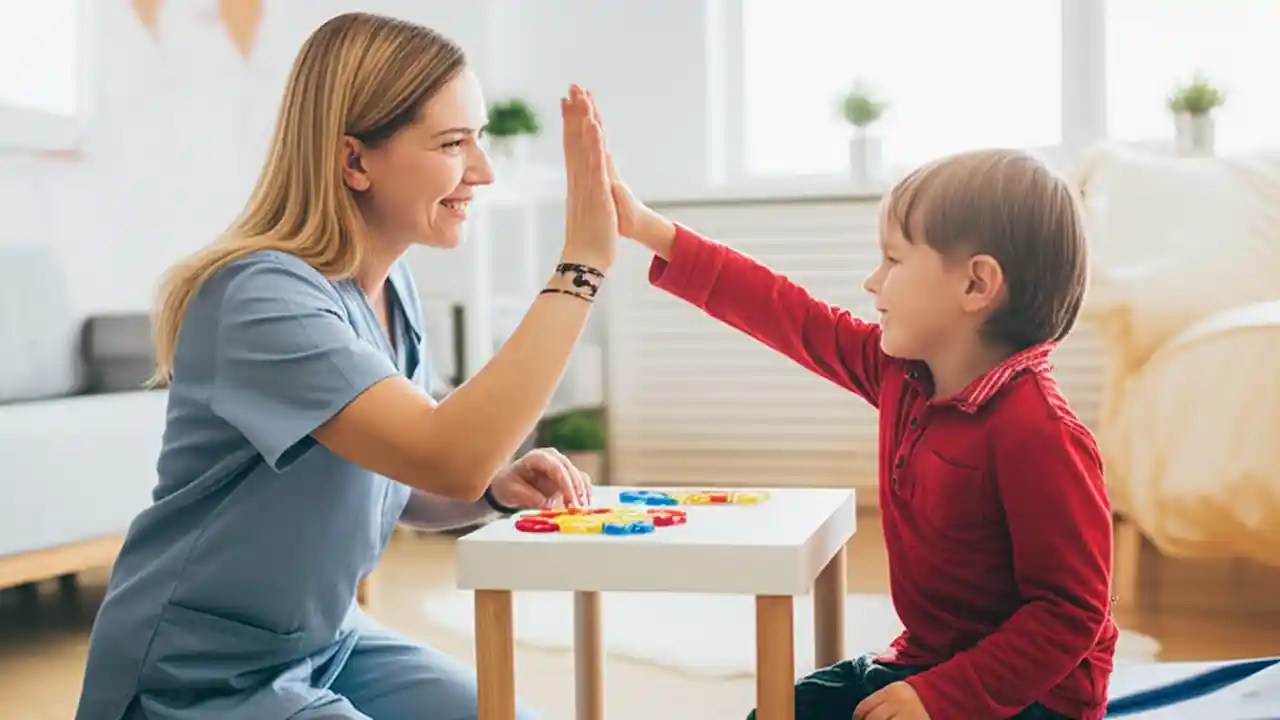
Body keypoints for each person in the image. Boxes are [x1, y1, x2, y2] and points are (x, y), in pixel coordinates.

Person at [74, 12, 617, 720]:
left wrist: (494, 487)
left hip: (330, 642)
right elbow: (446, 455)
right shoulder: (260, 296)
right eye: (454, 143)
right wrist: (580, 266)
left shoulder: (394, 291)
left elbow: (406, 476)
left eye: (478, 138)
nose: (481, 171)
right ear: (354, 161)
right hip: (200, 672)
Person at [587, 92, 1116, 719]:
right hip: (930, 660)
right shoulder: (903, 375)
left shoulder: (1039, 434)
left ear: (976, 284)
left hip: (1035, 698)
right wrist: (647, 226)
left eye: (892, 259)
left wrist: (938, 696)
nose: (872, 281)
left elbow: (1069, 613)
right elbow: (787, 312)